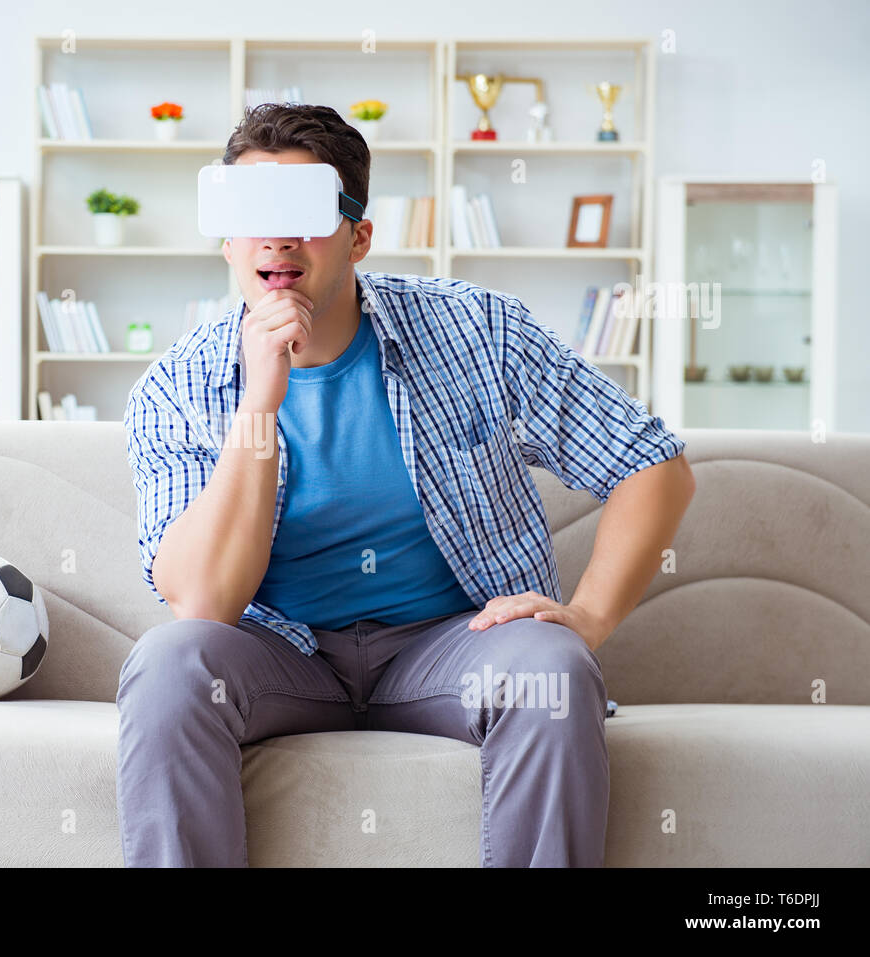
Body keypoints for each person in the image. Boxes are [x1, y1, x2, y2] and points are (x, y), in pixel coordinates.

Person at [117, 102, 695, 867]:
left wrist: (585, 617)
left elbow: (653, 463)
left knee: (553, 667)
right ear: (227, 239)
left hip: (452, 642)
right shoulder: (176, 387)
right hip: (281, 654)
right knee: (166, 665)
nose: (279, 238)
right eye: (254, 214)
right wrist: (260, 397)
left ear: (359, 235)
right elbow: (204, 603)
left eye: (307, 213)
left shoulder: (478, 331)